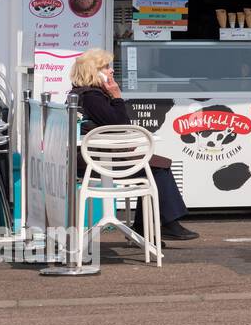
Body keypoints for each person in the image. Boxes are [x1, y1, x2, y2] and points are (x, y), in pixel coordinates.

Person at [68, 49, 198, 242]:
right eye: (106, 67)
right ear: (93, 71)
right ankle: (161, 225)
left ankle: (150, 226)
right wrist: (117, 96)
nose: (111, 70)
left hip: (91, 158)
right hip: (98, 162)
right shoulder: (93, 97)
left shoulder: (80, 94)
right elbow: (121, 125)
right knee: (158, 168)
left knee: (158, 164)